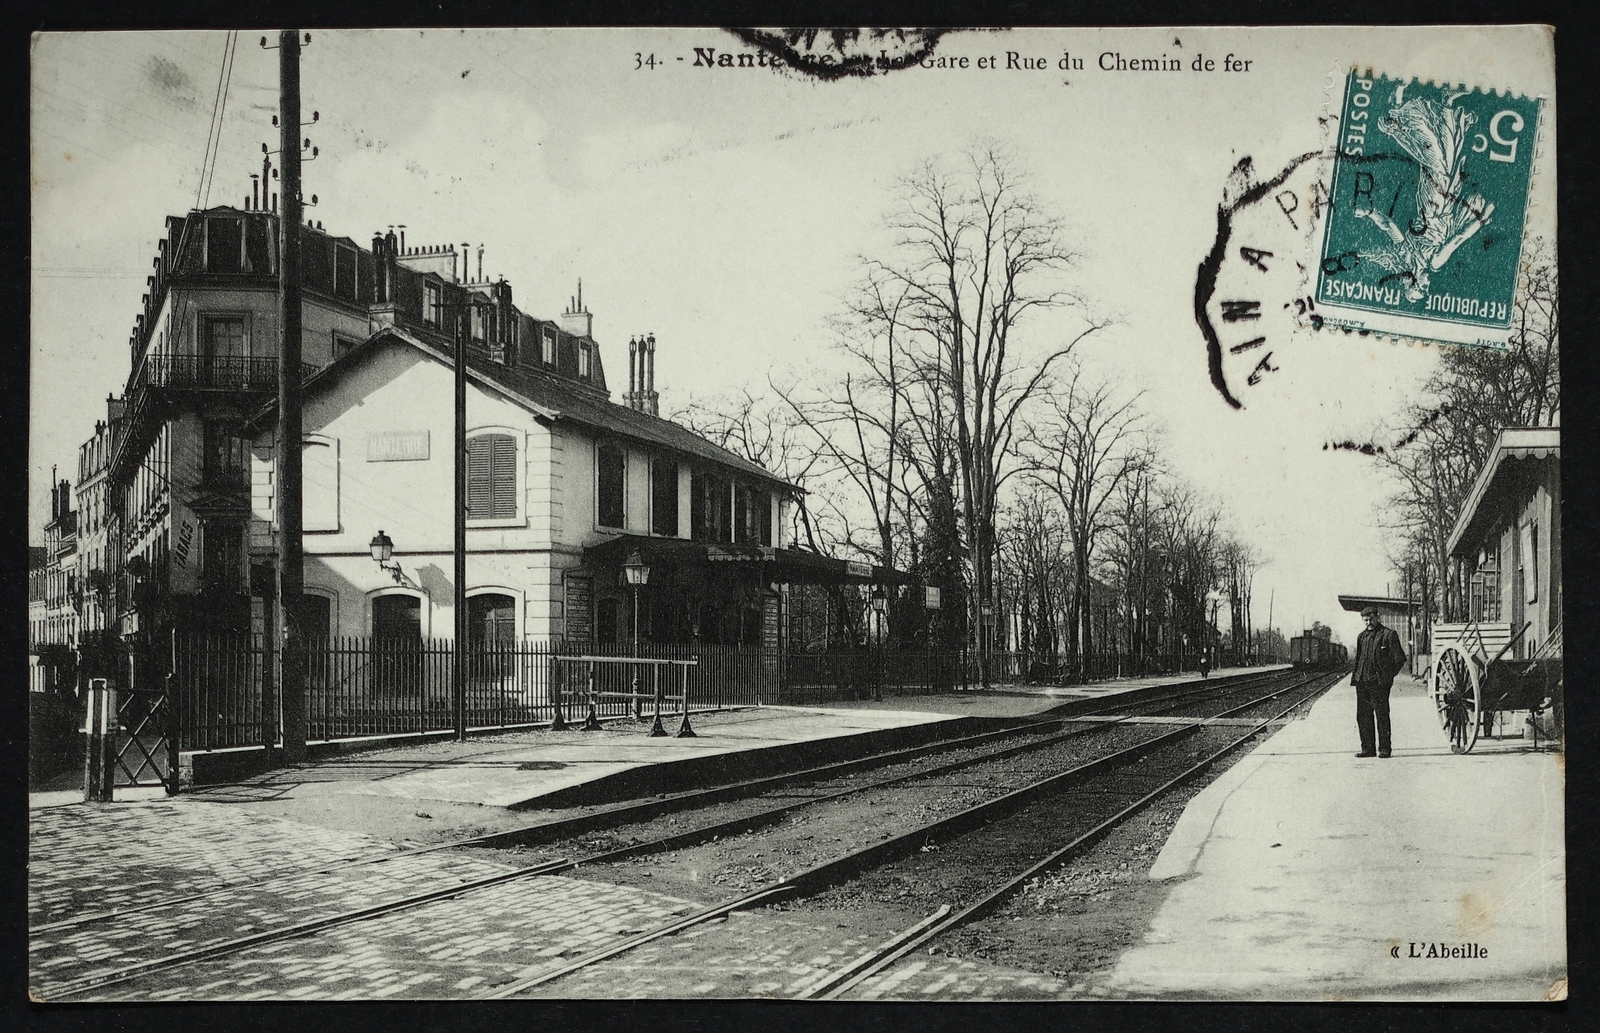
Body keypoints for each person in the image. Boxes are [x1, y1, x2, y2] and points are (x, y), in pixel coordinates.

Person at [1351, 605, 1407, 758]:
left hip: (1378, 683)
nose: (1368, 622)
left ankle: (1384, 749)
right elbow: (1359, 659)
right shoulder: (1361, 637)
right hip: (1362, 682)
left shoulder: (1388, 635)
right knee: (1363, 716)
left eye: (1371, 619)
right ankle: (1368, 749)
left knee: (1381, 715)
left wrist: (1387, 677)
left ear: (1377, 617)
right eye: (1365, 620)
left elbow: (1400, 659)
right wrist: (1356, 677)